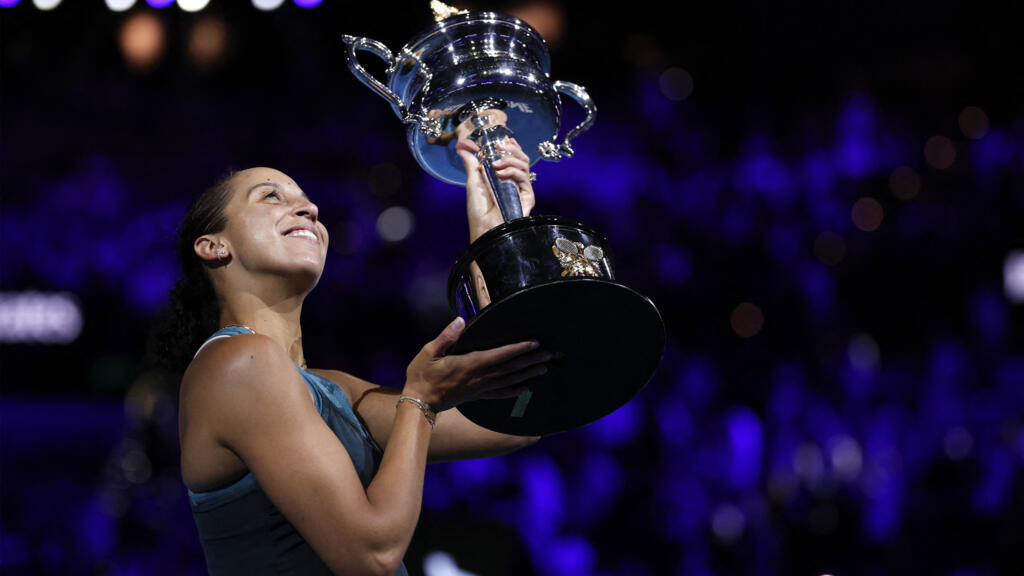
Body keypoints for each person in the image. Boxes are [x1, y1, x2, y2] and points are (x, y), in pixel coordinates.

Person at [156, 127, 544, 575]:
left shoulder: (333, 389)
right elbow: (371, 557)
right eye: (270, 197)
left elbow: (517, 419)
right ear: (213, 245)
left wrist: (495, 230)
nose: (310, 208)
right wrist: (420, 399)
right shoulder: (237, 364)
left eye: (305, 199)